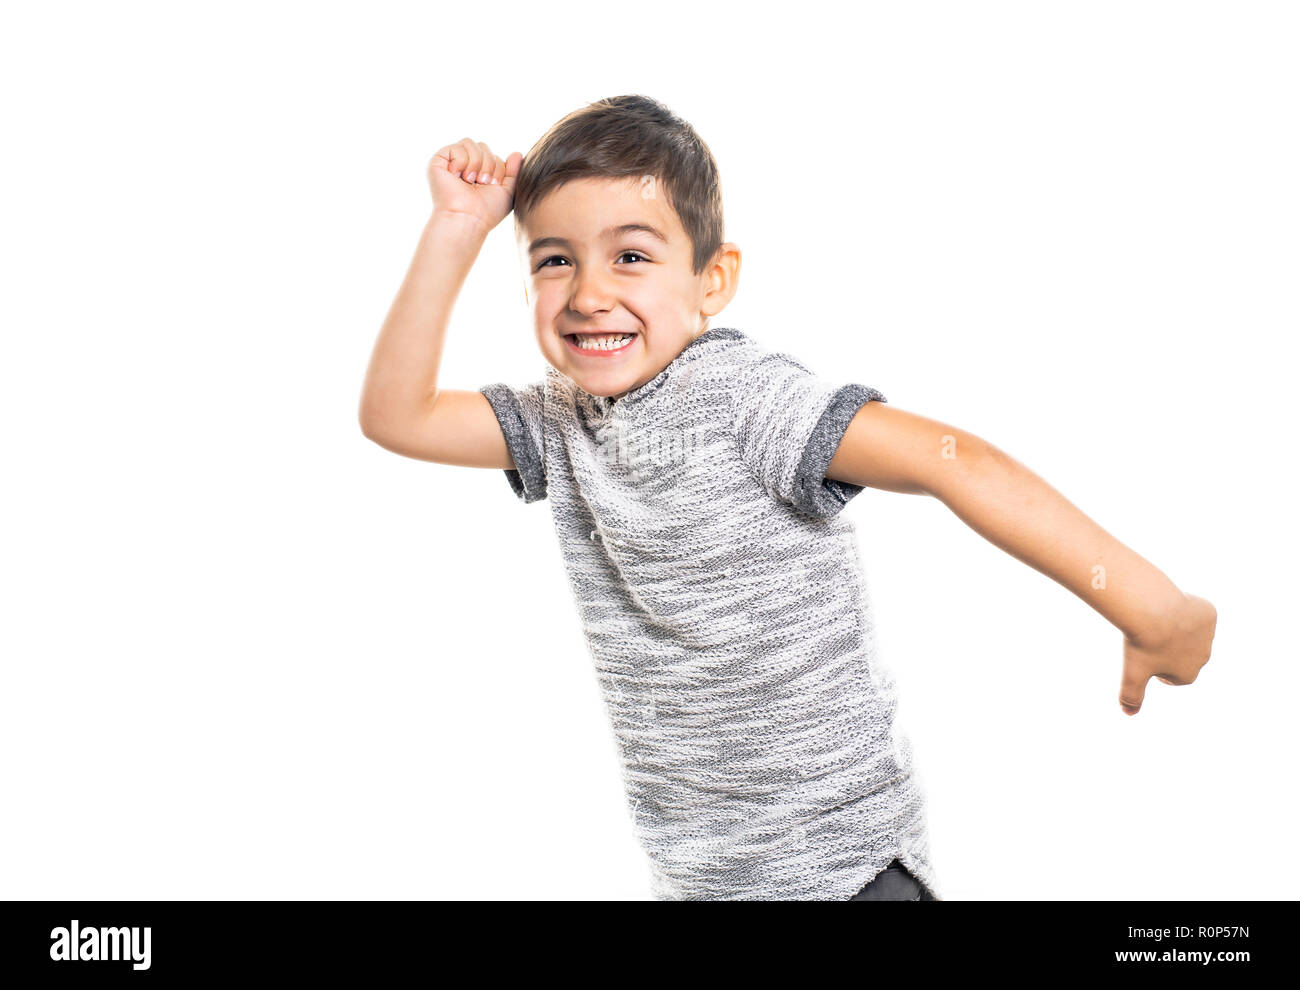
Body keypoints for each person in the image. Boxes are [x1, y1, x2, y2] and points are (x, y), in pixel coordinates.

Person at [358, 95, 1218, 901]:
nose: (588, 294)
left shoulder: (749, 400)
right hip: (702, 879)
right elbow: (399, 416)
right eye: (554, 260)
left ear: (711, 280)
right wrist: (458, 229)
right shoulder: (561, 422)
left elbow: (958, 461)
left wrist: (1149, 605)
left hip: (841, 872)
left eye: (630, 255)